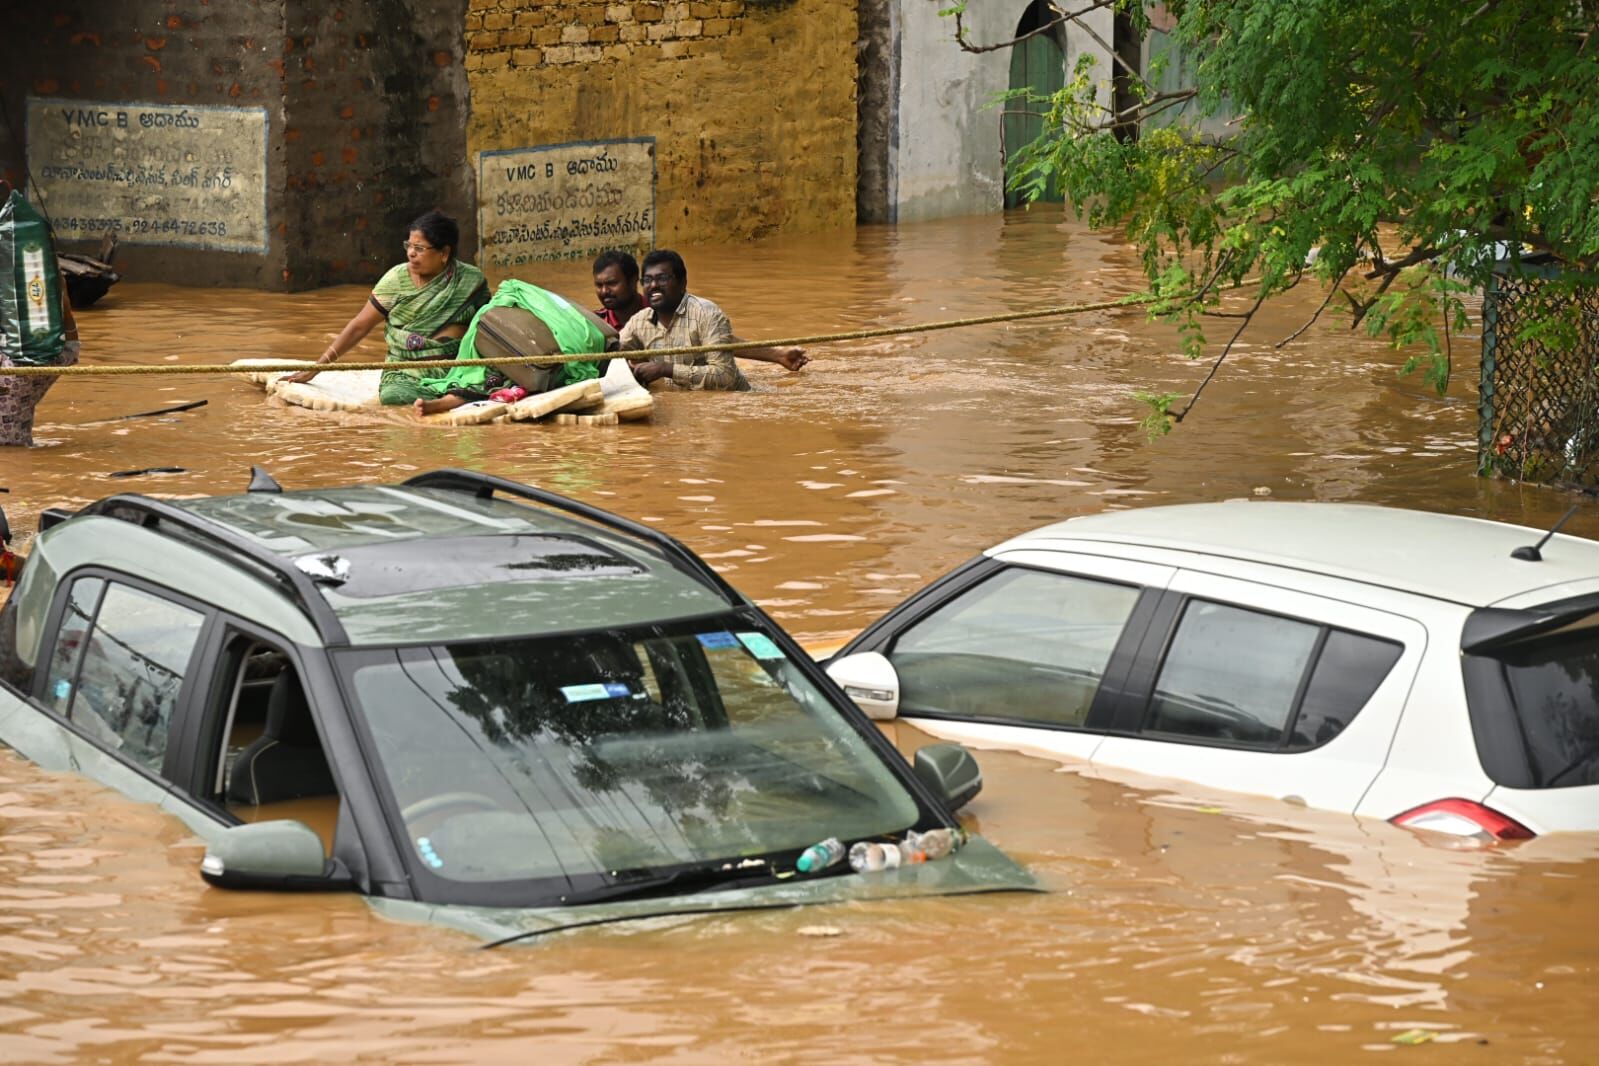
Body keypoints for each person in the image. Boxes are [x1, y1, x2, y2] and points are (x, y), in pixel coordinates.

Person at [283, 210, 489, 404]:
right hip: (405, 371)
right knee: (395, 396)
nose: (410, 253)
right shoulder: (395, 280)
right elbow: (360, 326)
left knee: (493, 383)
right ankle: (446, 400)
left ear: (444, 253)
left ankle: (452, 397)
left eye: (419, 248)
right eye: (408, 245)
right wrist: (317, 368)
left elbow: (488, 323)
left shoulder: (470, 281)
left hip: (457, 368)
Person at [592, 249, 809, 372]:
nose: (604, 291)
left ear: (632, 282)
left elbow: (719, 341)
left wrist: (777, 355)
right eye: (599, 285)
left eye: (612, 283)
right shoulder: (595, 325)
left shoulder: (667, 309)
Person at [0, 183, 80, 447]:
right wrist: (63, 297)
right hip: (20, 451)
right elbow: (72, 347)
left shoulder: (10, 364)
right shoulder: (47, 364)